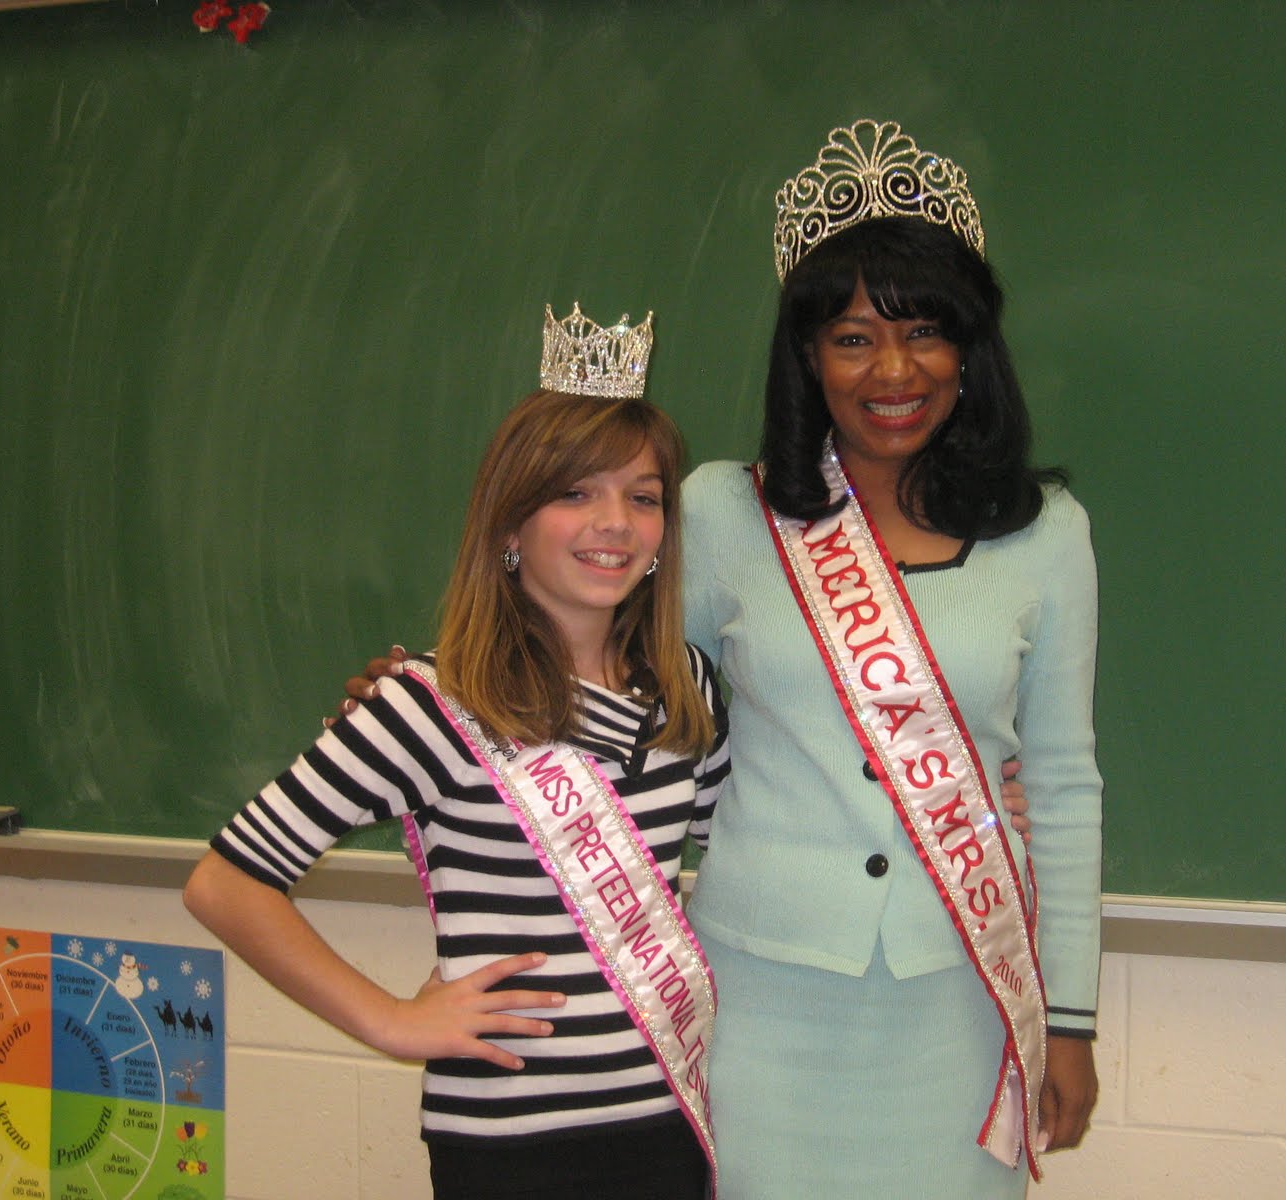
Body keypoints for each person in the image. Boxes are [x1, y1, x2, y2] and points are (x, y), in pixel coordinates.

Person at [346, 119, 1099, 1199]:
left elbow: (1065, 786)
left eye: (926, 332)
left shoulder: (1048, 533)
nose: (893, 369)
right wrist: (446, 687)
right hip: (759, 997)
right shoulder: (719, 514)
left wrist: (1067, 1019)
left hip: (958, 999)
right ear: (805, 356)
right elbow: (592, 660)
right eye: (849, 338)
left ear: (970, 352)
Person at [185, 304, 730, 1200]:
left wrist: (996, 797)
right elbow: (226, 882)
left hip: (671, 1123)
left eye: (643, 496)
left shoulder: (688, 690)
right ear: (510, 528)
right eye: (575, 492)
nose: (615, 522)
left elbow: (759, 835)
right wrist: (392, 1022)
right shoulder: (430, 705)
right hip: (509, 1147)